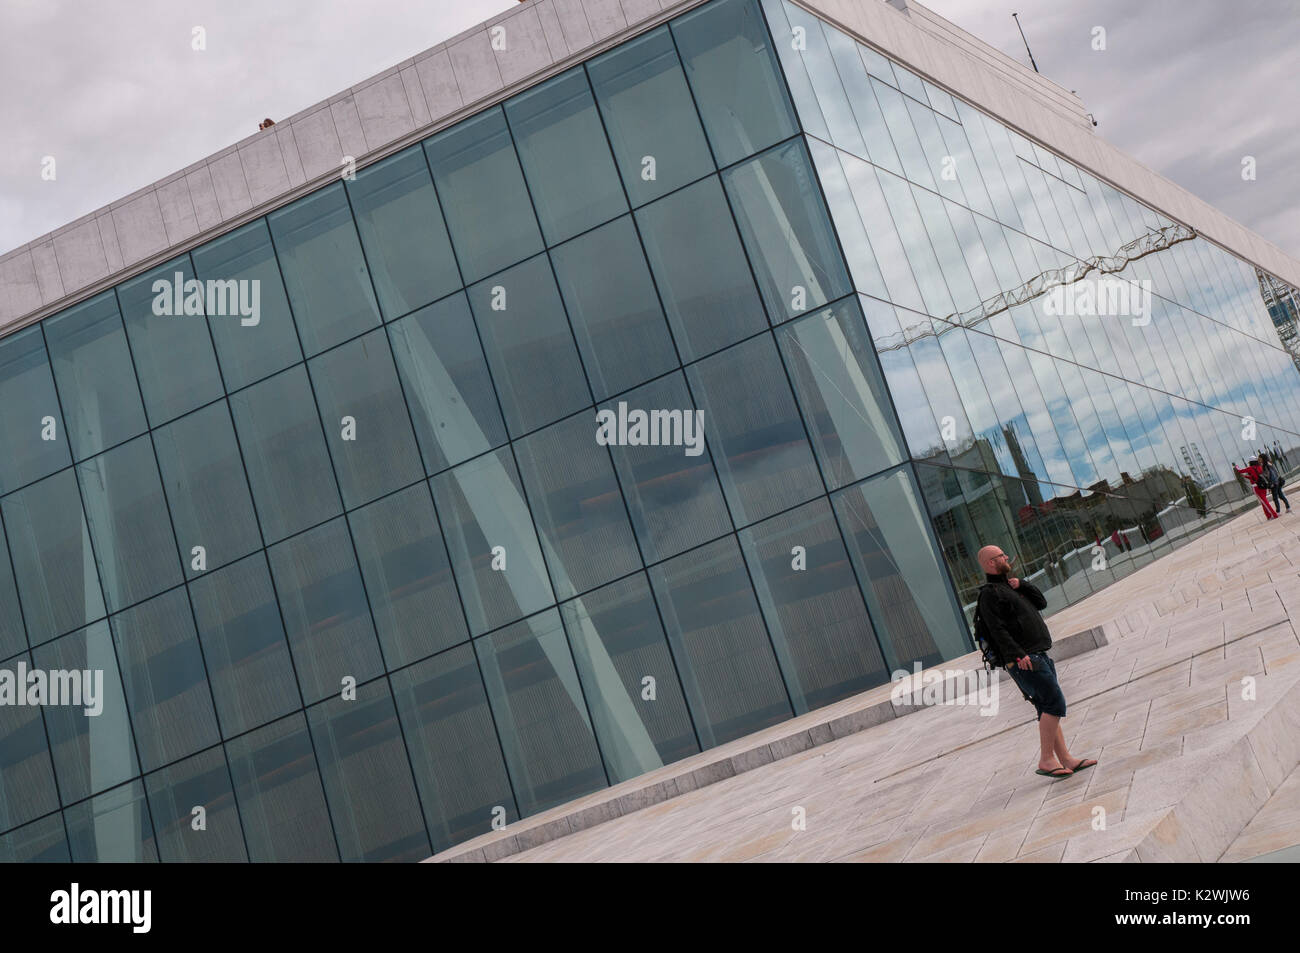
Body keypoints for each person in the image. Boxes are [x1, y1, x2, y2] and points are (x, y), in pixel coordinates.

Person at [975, 545, 1097, 780]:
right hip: (1025, 659)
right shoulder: (990, 594)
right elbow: (997, 630)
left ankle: (1066, 759)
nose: (1006, 557)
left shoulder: (1009, 587)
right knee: (1054, 703)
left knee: (1046, 707)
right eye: (1001, 555)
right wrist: (1018, 655)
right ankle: (1046, 759)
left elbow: (1041, 602)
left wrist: (1022, 585)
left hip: (1039, 654)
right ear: (991, 563)